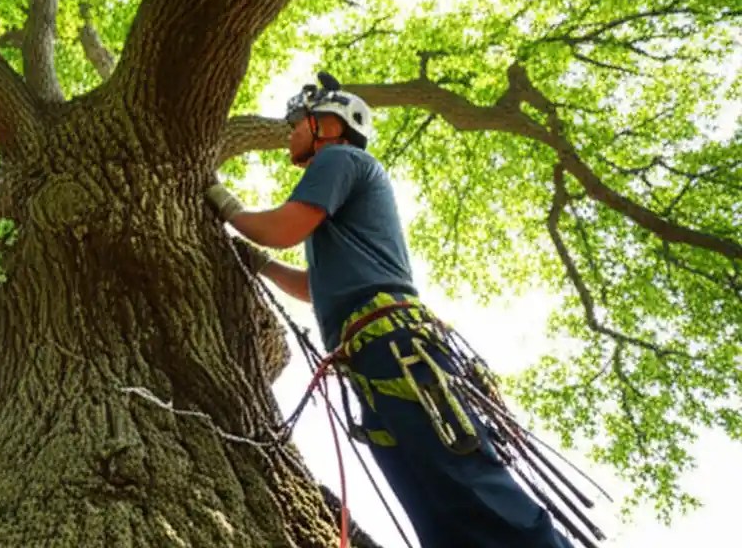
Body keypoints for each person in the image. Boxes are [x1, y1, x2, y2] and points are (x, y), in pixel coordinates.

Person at [206, 76, 573, 548]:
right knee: (442, 509)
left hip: (396, 348)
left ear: (331, 126)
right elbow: (315, 287)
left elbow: (282, 227)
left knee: (469, 488)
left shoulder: (340, 159)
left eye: (300, 122)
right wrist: (261, 264)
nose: (290, 130)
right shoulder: (338, 208)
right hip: (377, 355)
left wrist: (225, 206)